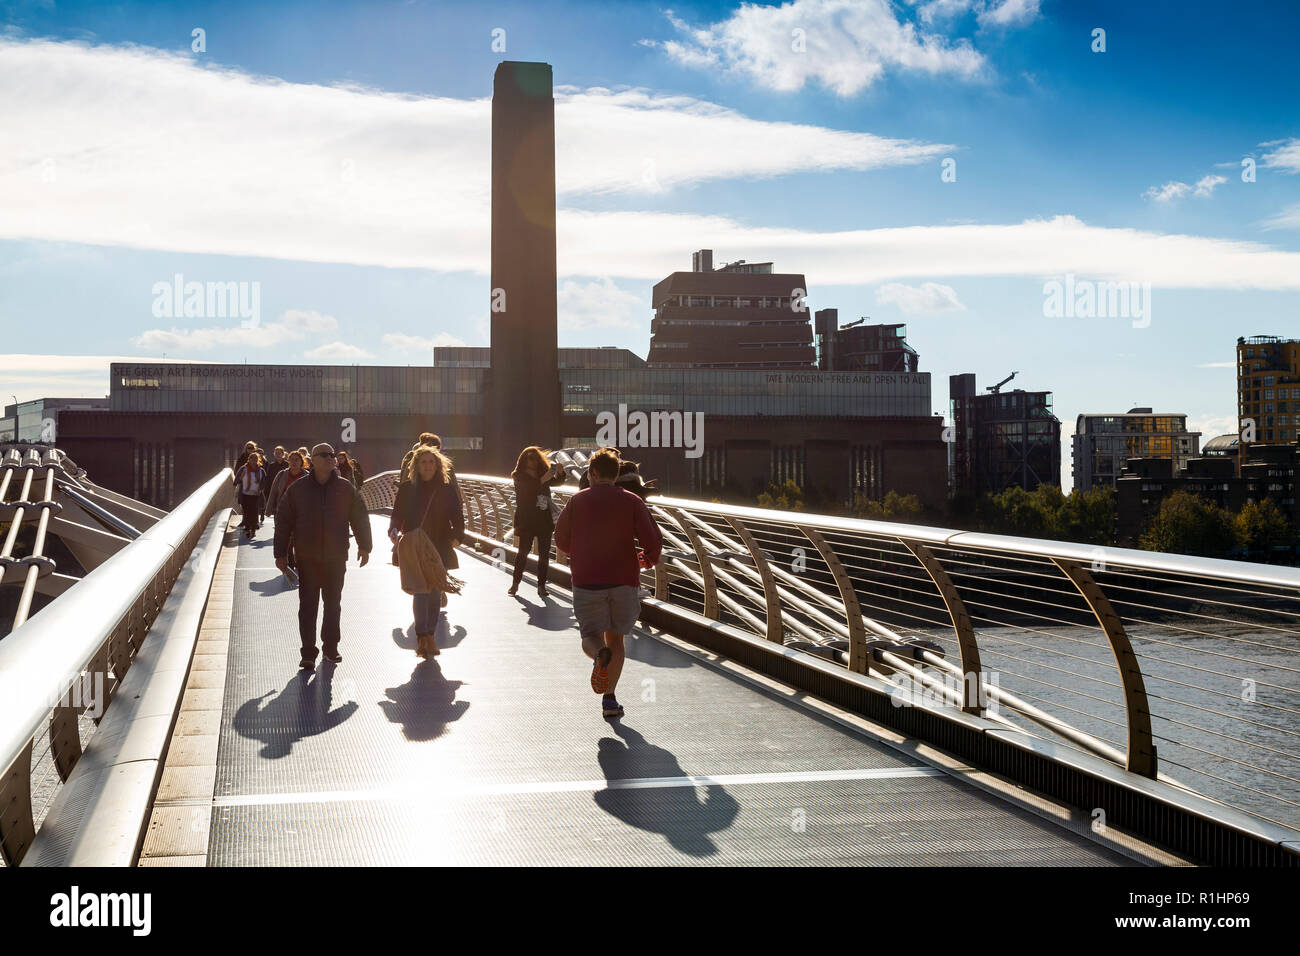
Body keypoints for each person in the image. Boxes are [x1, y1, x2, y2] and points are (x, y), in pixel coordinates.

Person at [554, 447, 663, 719]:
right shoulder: (632, 501)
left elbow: (561, 540)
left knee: (590, 635)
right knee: (617, 638)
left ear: (592, 473)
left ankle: (598, 655)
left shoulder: (577, 501)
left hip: (588, 578)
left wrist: (577, 552)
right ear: (615, 475)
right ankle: (610, 701)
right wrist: (647, 559)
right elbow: (652, 538)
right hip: (624, 579)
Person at [274, 443, 373, 670]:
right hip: (307, 557)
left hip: (336, 556)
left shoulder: (345, 488)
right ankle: (308, 653)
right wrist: (280, 554)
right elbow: (283, 521)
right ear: (313, 460)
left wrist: (364, 545)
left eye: (332, 455)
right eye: (325, 455)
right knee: (308, 605)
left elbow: (359, 516)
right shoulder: (298, 490)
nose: (331, 458)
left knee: (333, 604)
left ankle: (330, 648)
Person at [388, 444, 465, 658]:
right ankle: (423, 637)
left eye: (432, 462)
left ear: (438, 465)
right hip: (415, 545)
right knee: (421, 590)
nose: (428, 466)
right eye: (423, 462)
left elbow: (457, 516)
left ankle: (429, 634)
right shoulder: (407, 488)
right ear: (416, 465)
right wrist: (393, 529)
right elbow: (397, 514)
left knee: (435, 592)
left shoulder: (447, 489)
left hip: (439, 544)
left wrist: (458, 536)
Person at [509, 446, 564, 598]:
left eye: (535, 457)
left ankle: (541, 586)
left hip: (543, 518)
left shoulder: (543, 472)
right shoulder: (518, 475)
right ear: (524, 460)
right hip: (526, 519)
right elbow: (525, 493)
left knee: (544, 554)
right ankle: (515, 583)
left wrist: (560, 472)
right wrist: (542, 480)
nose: (533, 461)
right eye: (530, 458)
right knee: (523, 552)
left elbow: (557, 482)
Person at [233, 452, 266, 539]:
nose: (253, 460)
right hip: (245, 494)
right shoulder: (244, 469)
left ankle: (253, 529)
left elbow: (264, 481)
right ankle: (247, 528)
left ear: (258, 460)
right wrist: (238, 480)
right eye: (252, 458)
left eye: (255, 458)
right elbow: (236, 480)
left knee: (254, 512)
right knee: (247, 511)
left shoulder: (261, 470)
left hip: (256, 494)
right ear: (249, 459)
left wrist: (261, 489)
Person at [262, 446, 289, 523]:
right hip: (274, 491)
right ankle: (277, 528)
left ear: (283, 454)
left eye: (279, 453)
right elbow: (268, 479)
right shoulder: (271, 465)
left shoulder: (287, 465)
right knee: (275, 512)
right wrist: (266, 492)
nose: (277, 455)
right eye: (276, 453)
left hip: (284, 491)